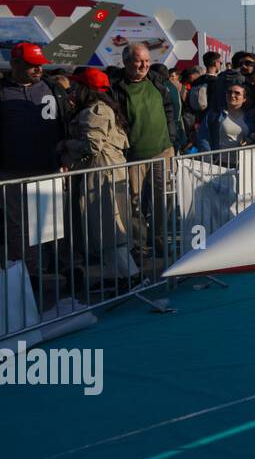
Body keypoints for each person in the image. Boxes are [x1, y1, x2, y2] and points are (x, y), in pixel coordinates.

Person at [56, 69, 138, 285]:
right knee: (106, 228)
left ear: (86, 89)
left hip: (102, 173)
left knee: (109, 228)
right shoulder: (98, 108)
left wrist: (65, 145)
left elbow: (92, 146)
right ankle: (119, 276)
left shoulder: (96, 110)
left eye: (76, 86)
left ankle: (130, 276)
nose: (72, 90)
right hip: (103, 171)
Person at [0, 42, 67, 281]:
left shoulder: (52, 88)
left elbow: (63, 124)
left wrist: (64, 154)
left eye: (40, 64)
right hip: (12, 171)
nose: (38, 69)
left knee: (47, 226)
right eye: (32, 65)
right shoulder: (3, 91)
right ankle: (24, 275)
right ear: (15, 64)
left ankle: (45, 271)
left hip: (47, 167)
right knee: (17, 228)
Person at [110, 42, 177, 261]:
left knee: (163, 199)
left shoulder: (156, 81)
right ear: (127, 61)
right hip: (134, 156)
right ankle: (138, 246)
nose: (144, 65)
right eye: (139, 61)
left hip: (163, 151)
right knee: (134, 203)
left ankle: (159, 239)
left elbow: (169, 109)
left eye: (147, 61)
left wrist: (171, 136)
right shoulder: (116, 87)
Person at [196, 82, 252, 153]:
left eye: (237, 93)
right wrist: (208, 158)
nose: (232, 95)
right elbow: (203, 137)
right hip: (217, 161)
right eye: (229, 92)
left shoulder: (250, 117)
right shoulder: (215, 114)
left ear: (244, 99)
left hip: (242, 162)